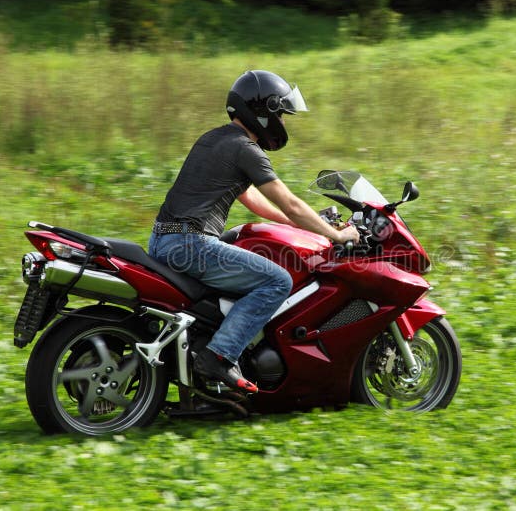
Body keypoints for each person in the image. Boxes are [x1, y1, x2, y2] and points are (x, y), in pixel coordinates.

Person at [148, 70, 359, 393]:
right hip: (190, 243)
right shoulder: (246, 149)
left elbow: (252, 198)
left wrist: (300, 223)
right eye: (282, 115)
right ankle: (219, 357)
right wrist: (338, 236)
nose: (284, 124)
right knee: (277, 280)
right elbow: (289, 202)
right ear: (264, 112)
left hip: (164, 238)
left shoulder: (214, 139)